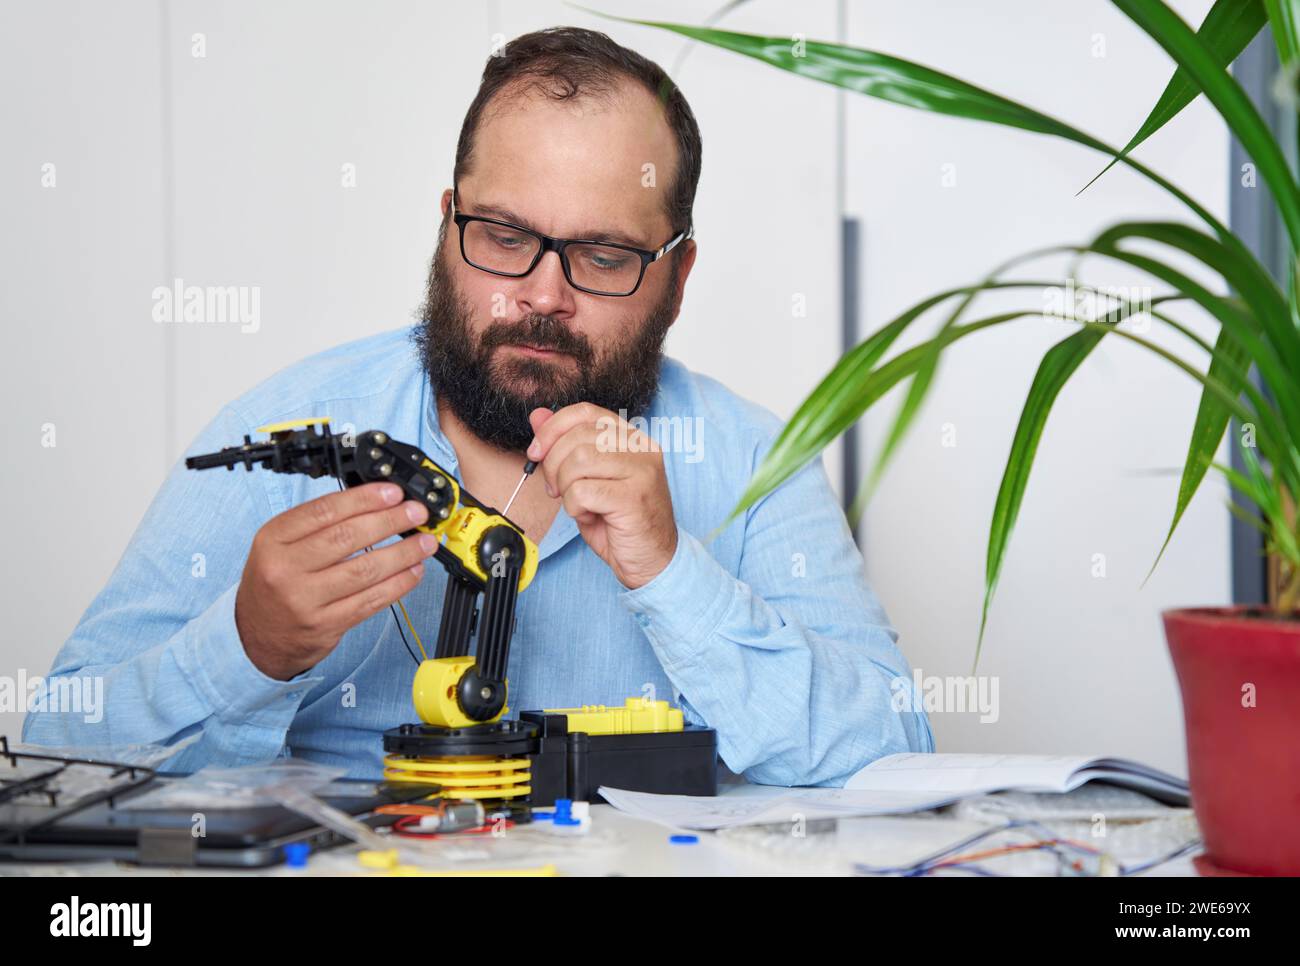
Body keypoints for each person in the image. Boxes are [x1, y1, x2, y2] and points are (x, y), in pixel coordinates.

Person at [23, 26, 933, 785]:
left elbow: (896, 758)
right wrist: (245, 648)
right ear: (448, 222)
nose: (542, 294)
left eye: (605, 256)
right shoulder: (286, 438)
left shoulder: (750, 462)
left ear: (677, 276)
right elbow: (54, 751)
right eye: (502, 236)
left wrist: (671, 574)